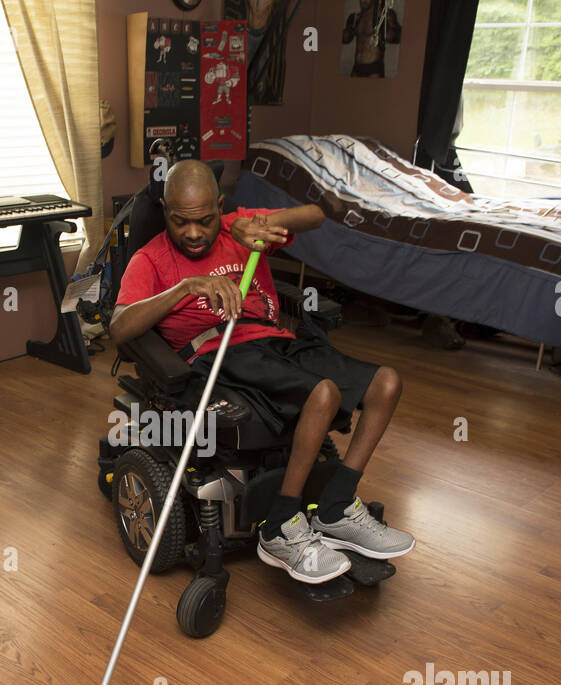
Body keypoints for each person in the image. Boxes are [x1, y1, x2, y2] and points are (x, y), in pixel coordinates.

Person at [110, 160, 414, 585]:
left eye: (205, 220)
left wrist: (249, 227)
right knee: (322, 394)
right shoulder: (151, 259)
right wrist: (185, 288)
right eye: (180, 221)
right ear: (164, 210)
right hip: (219, 351)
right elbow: (120, 327)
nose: (193, 233)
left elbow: (315, 215)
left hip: (276, 341)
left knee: (387, 383)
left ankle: (337, 507)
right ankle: (280, 526)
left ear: (220, 206)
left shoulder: (241, 227)